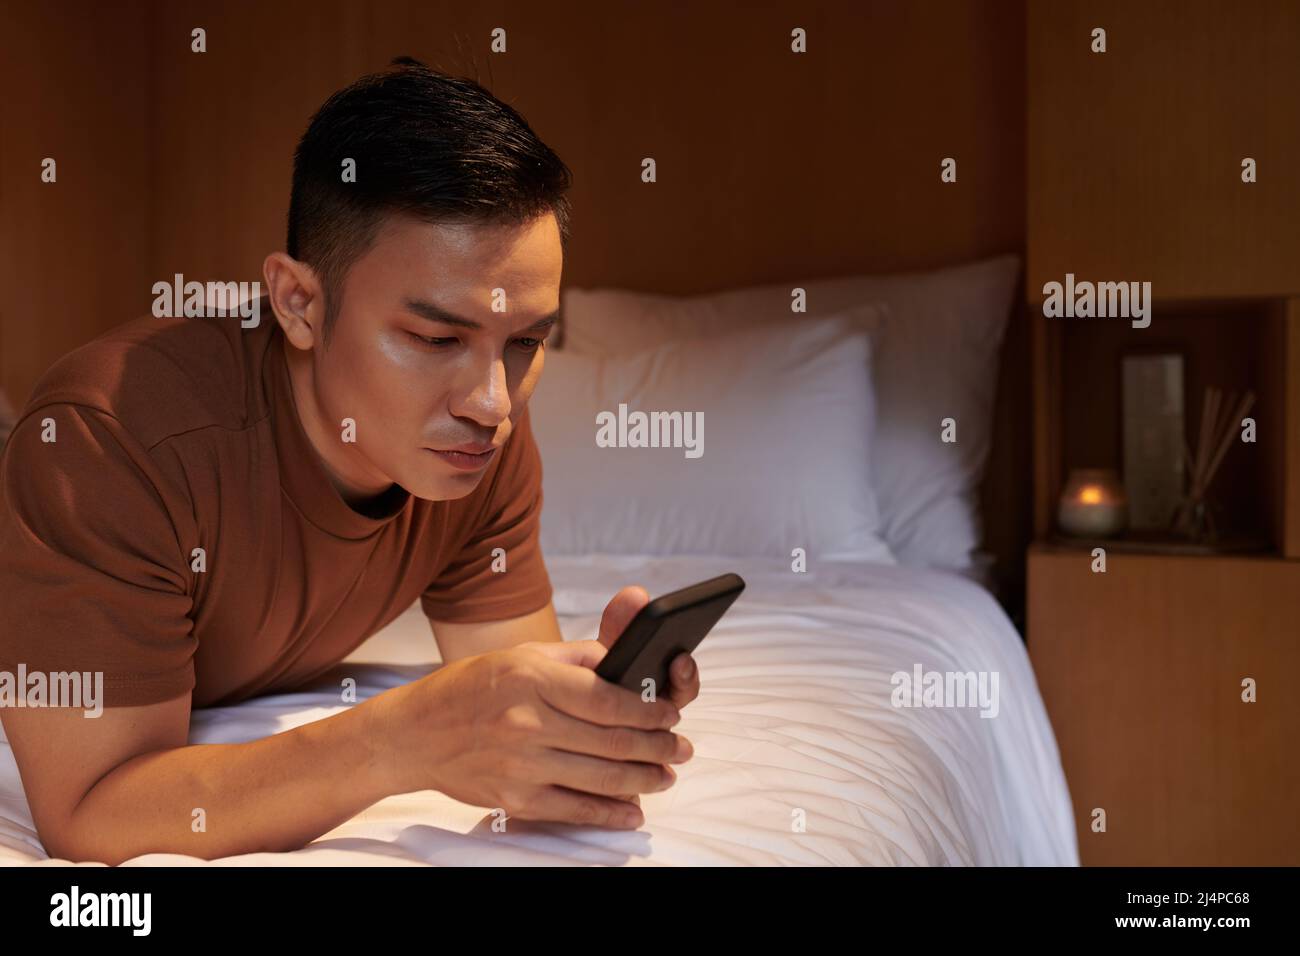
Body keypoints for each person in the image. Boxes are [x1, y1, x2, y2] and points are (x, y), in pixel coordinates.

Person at [0, 57, 697, 865]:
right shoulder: (109, 441)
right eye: (437, 339)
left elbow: (502, 692)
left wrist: (592, 720)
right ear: (299, 303)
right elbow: (91, 814)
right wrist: (405, 737)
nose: (493, 402)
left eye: (527, 344)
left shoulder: (480, 433)